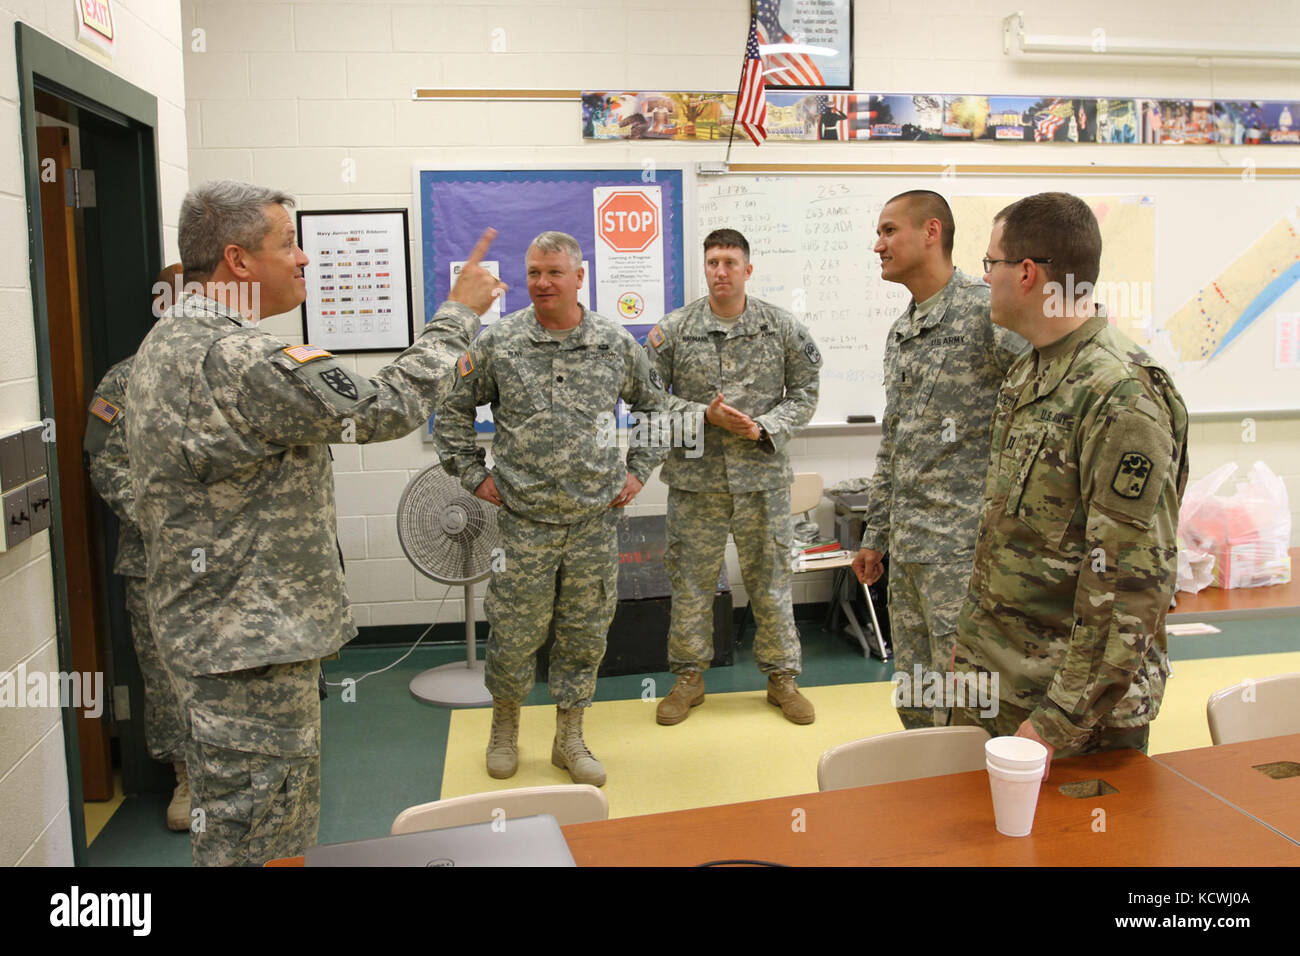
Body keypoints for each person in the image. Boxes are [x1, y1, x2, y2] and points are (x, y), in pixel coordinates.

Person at [126, 180, 505, 866]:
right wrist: (457, 315)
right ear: (239, 262)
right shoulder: (236, 358)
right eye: (288, 243)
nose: (303, 259)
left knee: (238, 825)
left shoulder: (168, 340)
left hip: (217, 638)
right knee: (262, 840)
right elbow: (384, 407)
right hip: (249, 650)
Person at [434, 231, 751, 785]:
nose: (542, 283)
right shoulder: (499, 342)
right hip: (524, 522)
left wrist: (637, 470)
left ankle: (569, 737)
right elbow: (452, 409)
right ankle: (505, 728)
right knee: (513, 632)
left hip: (593, 523)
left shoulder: (613, 342)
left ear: (580, 277)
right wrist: (473, 476)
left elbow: (654, 405)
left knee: (585, 633)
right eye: (534, 272)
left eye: (554, 272)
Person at [950, 192, 1188, 777]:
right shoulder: (1030, 370)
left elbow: (1129, 585)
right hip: (1000, 681)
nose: (985, 280)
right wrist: (969, 648)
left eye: (990, 265)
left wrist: (1059, 718)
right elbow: (1010, 533)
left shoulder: (1119, 394)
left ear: (1026, 273)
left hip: (1073, 715)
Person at [851, 190, 1025, 728]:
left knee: (968, 699)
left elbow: (1036, 412)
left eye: (888, 231)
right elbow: (895, 440)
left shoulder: (986, 309)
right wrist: (876, 534)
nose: (877, 244)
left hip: (966, 554)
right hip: (909, 552)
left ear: (931, 232)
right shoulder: (903, 330)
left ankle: (973, 801)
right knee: (917, 696)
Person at [647, 228, 822, 726]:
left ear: (748, 269)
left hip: (761, 480)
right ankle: (688, 679)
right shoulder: (674, 330)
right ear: (704, 269)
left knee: (771, 581)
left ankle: (782, 679)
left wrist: (766, 426)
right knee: (691, 583)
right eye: (712, 263)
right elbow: (646, 395)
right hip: (694, 484)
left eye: (730, 262)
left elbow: (806, 391)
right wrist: (704, 415)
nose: (720, 271)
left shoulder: (781, 327)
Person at [84, 263, 191, 832]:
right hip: (154, 558)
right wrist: (163, 520)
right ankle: (187, 778)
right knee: (167, 672)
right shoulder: (123, 381)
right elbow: (105, 461)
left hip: (234, 561)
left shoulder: (233, 371)